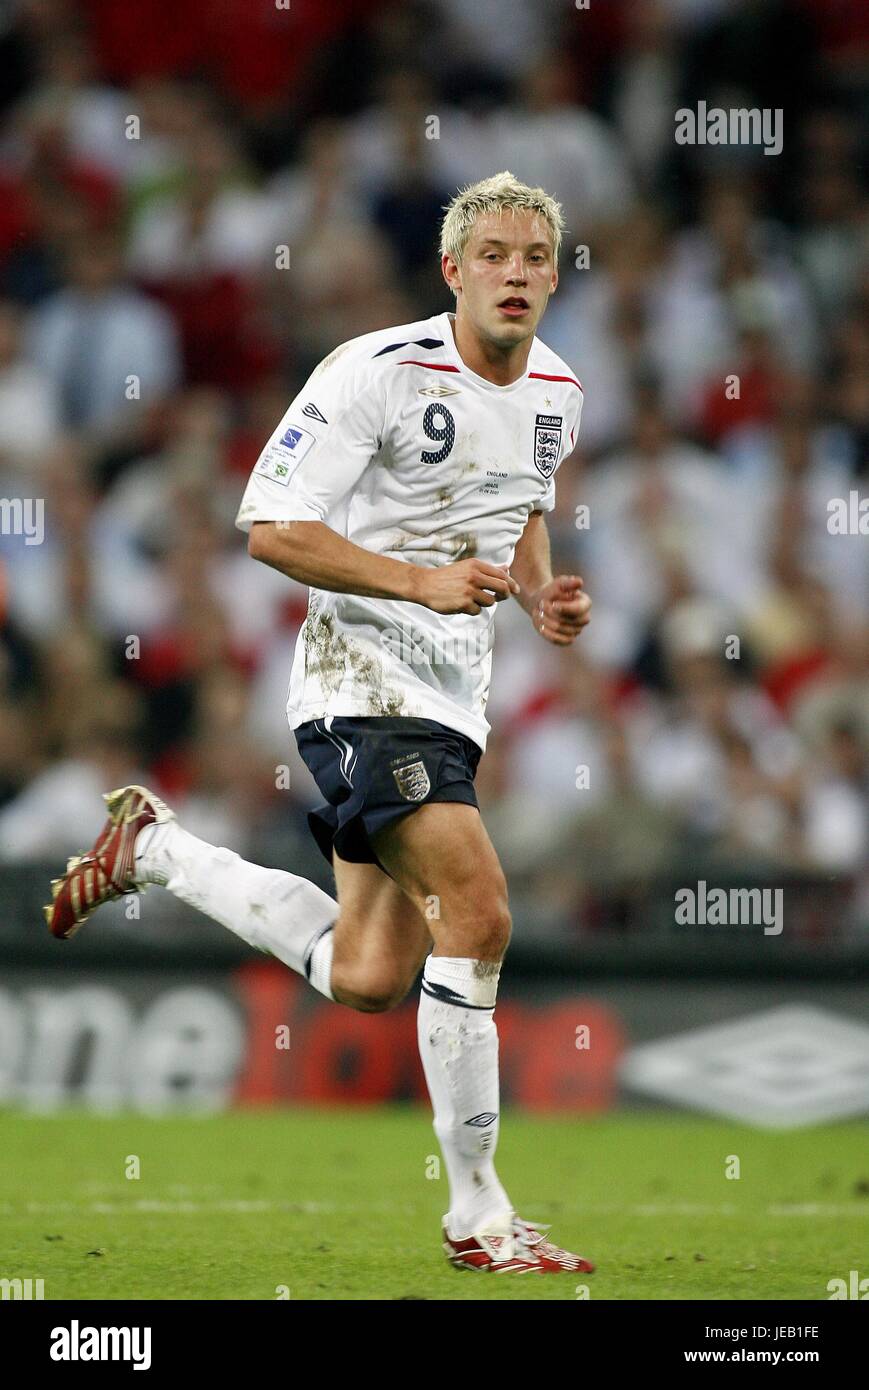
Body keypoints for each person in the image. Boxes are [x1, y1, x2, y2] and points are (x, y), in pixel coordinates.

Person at [45, 171, 594, 1274]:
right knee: (477, 913)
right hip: (359, 681)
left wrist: (539, 596)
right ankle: (478, 1215)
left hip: (453, 700)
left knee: (368, 974)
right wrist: (416, 582)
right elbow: (269, 526)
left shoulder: (559, 393)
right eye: (492, 253)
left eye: (534, 256)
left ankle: (156, 850)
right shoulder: (375, 372)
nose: (515, 272)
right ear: (452, 270)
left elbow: (520, 507)